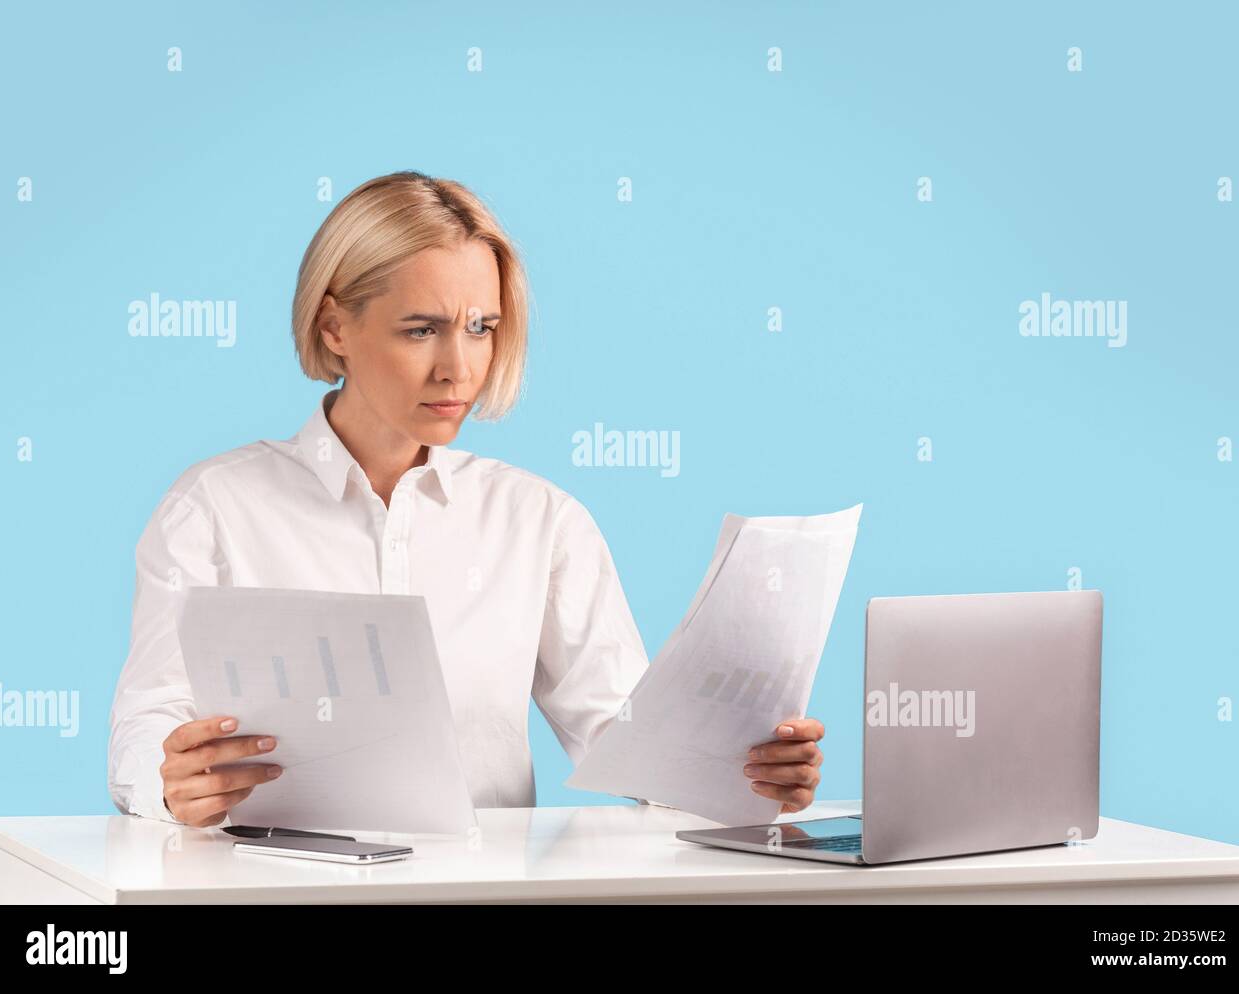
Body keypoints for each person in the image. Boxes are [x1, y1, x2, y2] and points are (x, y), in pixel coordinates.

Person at [107, 170, 825, 828]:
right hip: (276, 893)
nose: (459, 368)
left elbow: (629, 741)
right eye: (422, 329)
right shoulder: (214, 509)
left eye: (481, 327)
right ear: (334, 326)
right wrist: (170, 783)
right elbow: (146, 728)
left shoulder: (540, 521)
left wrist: (744, 771)